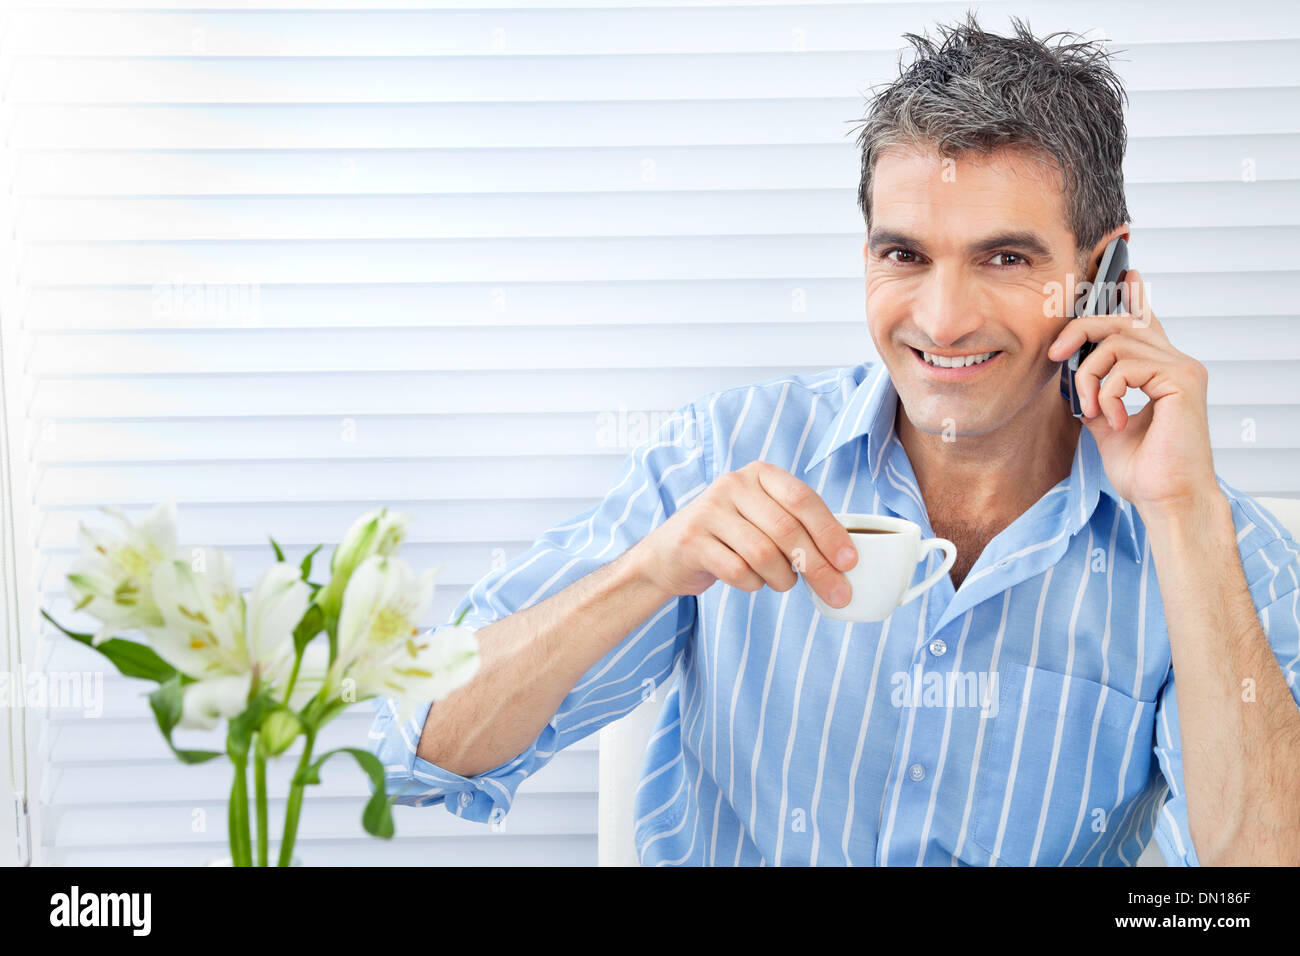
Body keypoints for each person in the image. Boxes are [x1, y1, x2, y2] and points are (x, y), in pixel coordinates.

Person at [367, 13, 1300, 865]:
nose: (943, 318)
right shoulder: (722, 454)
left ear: (1104, 276)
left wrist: (1182, 513)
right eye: (906, 255)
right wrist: (648, 572)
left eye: (1005, 258)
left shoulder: (1217, 551)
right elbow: (420, 747)